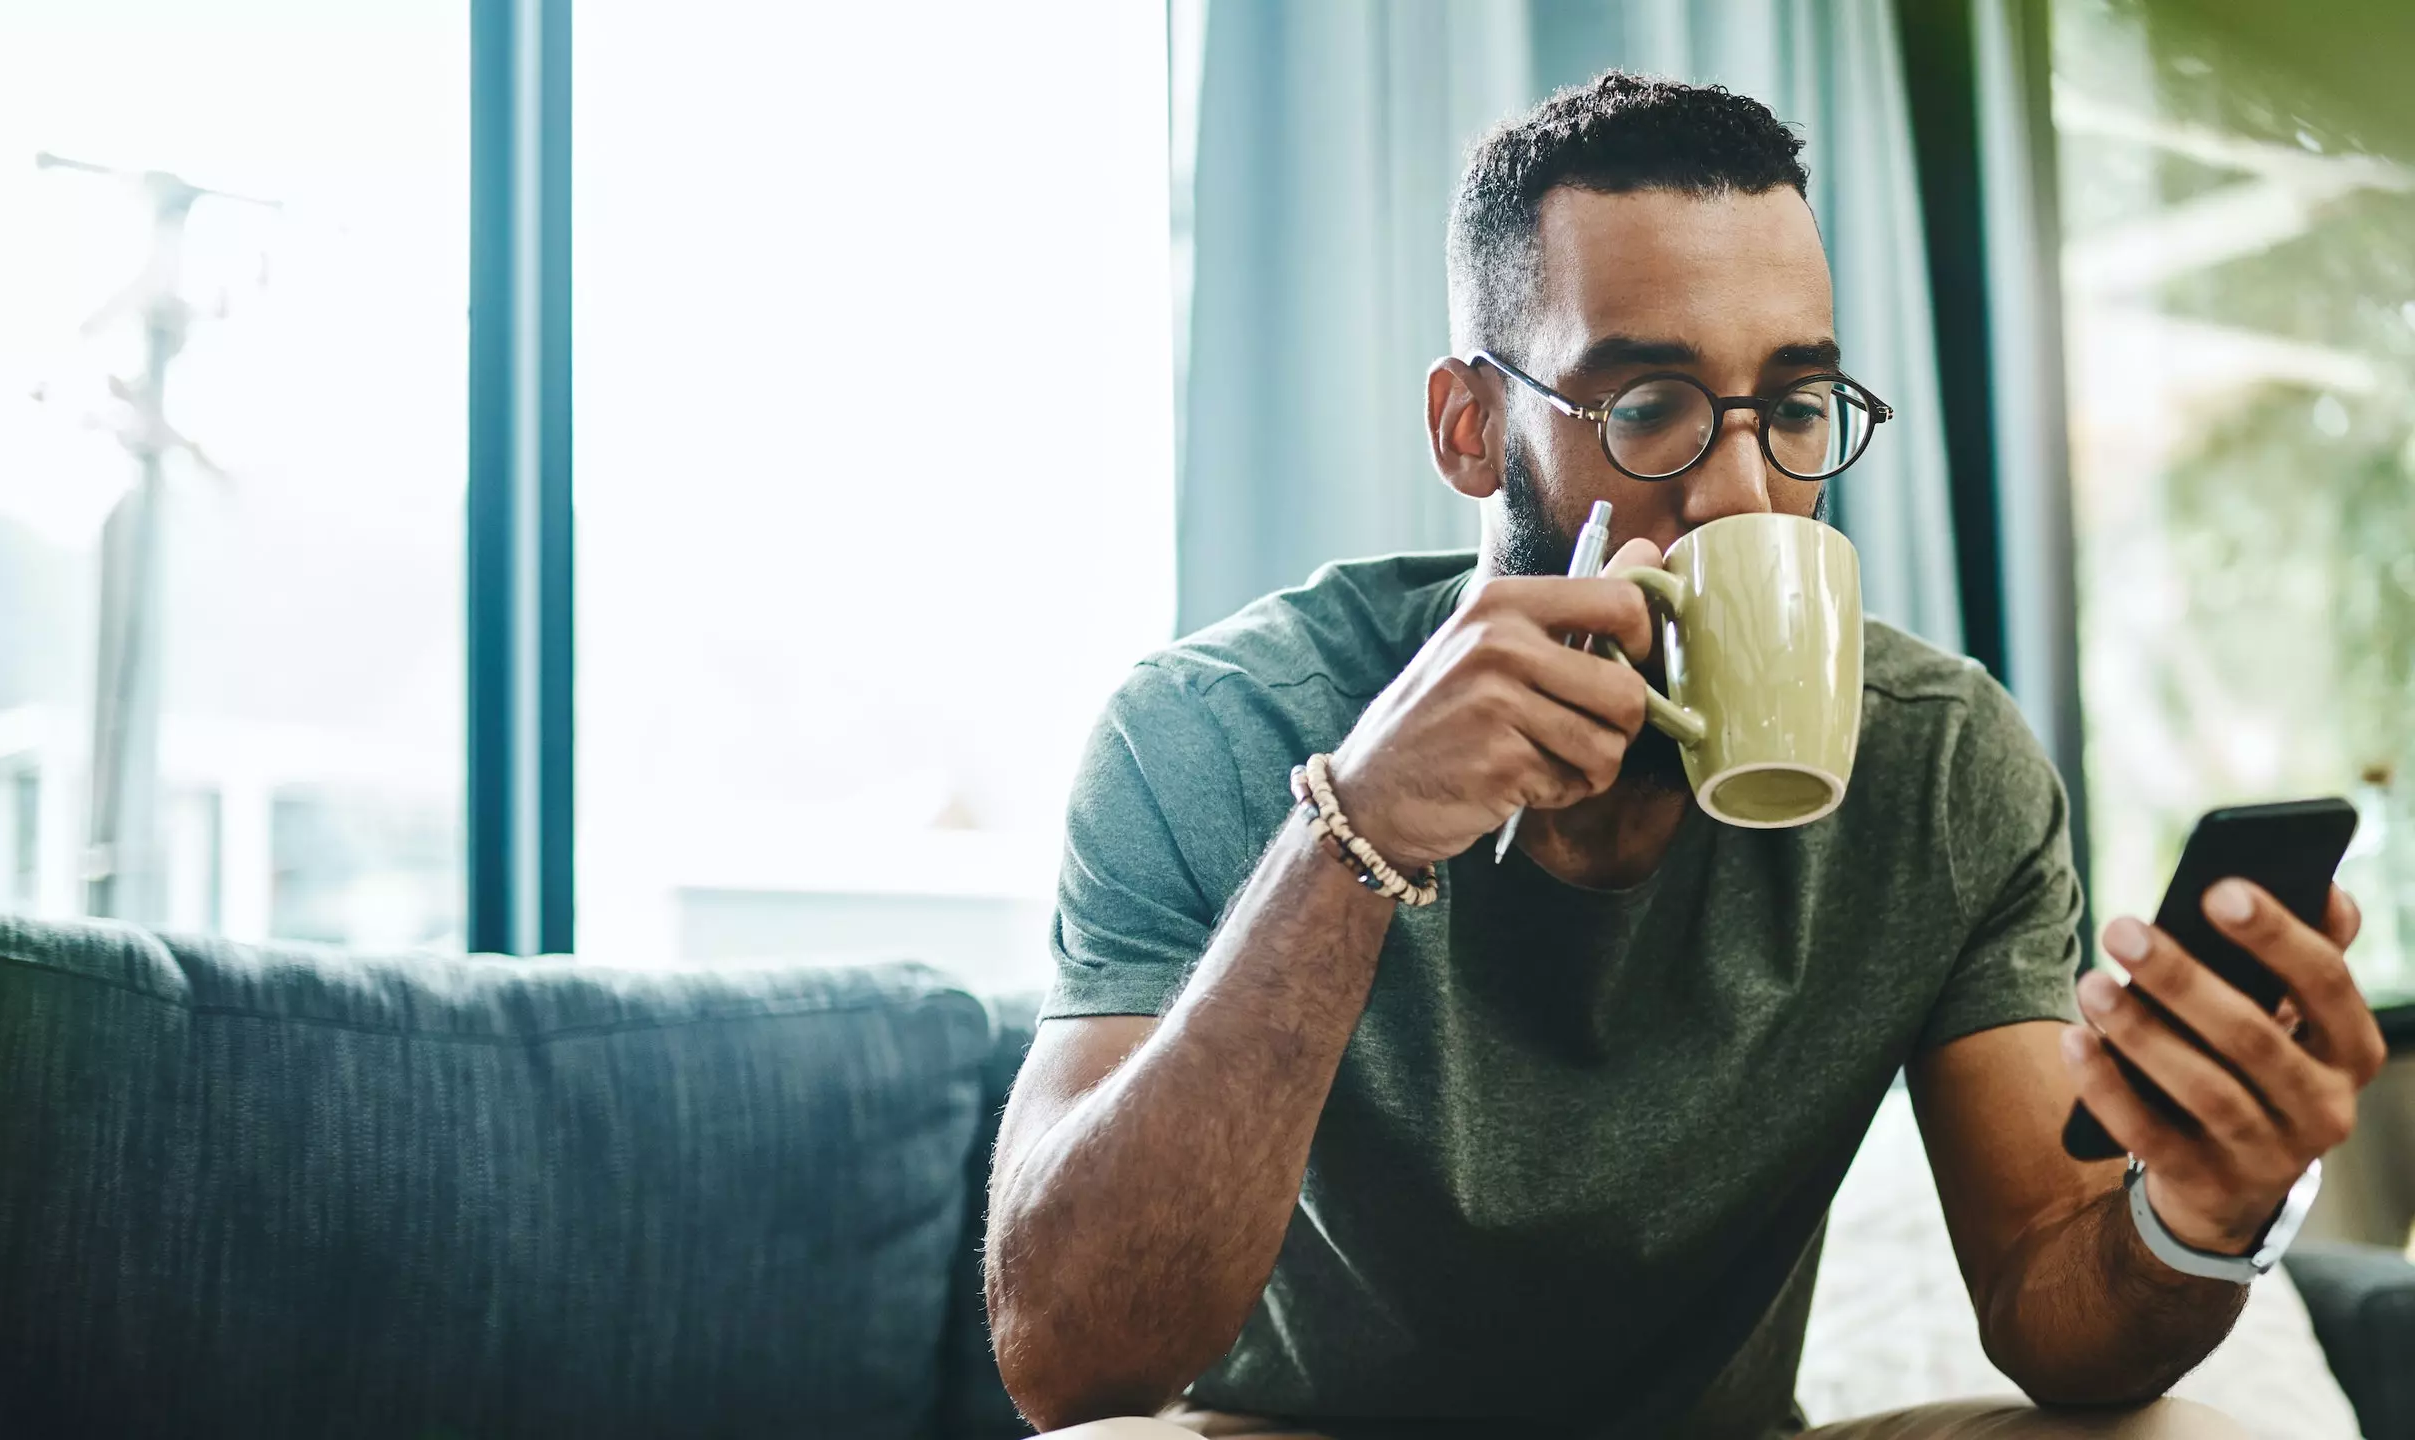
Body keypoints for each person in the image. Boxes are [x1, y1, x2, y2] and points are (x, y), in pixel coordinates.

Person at [982, 72, 2389, 1440]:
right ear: (1472, 430)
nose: (1740, 495)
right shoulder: (1211, 728)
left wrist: (2199, 1215)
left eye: (1792, 409)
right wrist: (1352, 837)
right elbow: (1070, 1360)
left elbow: (2046, 1299)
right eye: (1647, 406)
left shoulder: (1940, 765)